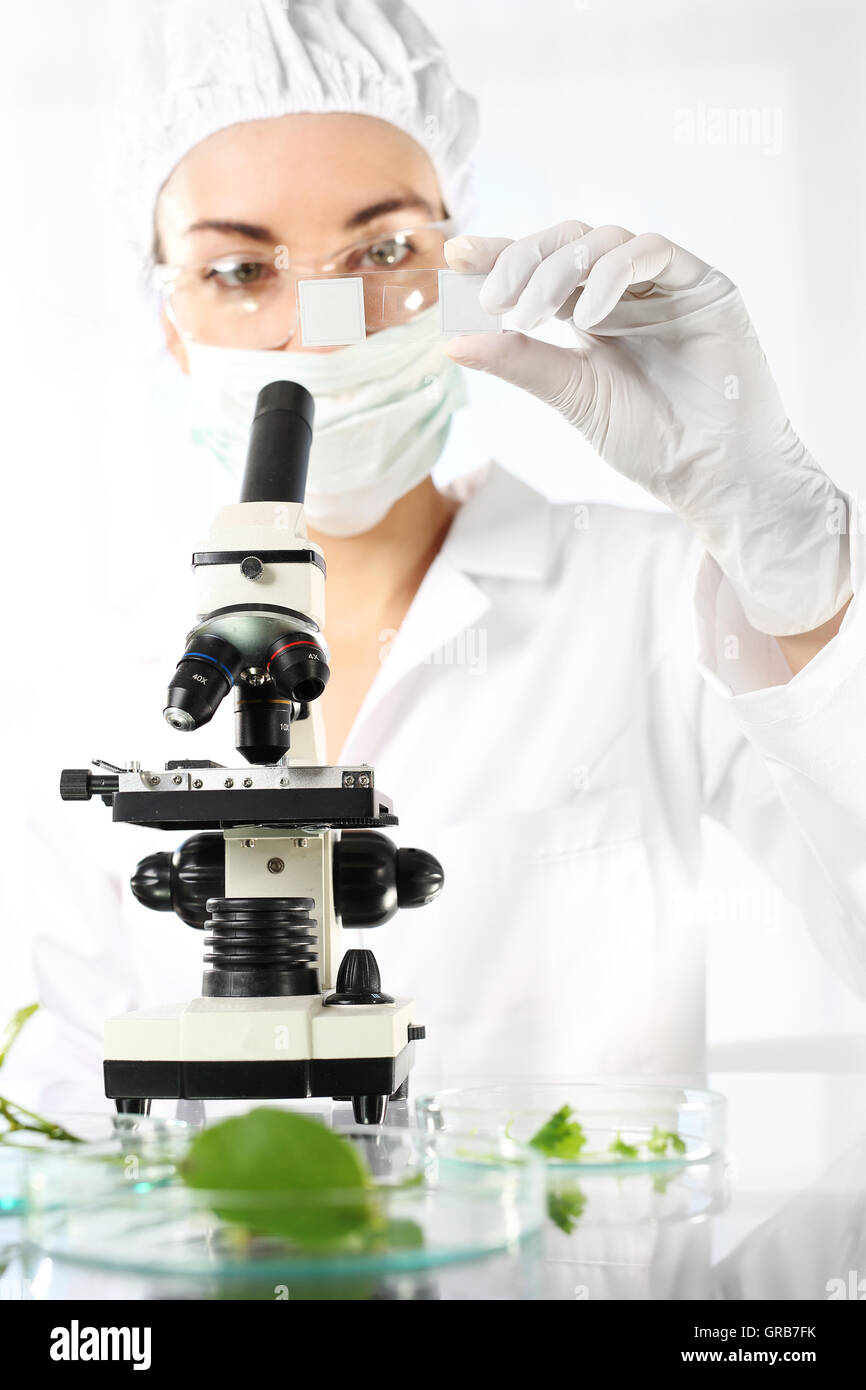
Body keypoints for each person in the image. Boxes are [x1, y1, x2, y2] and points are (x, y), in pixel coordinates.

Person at [12, 0, 866, 1101]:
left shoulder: (655, 599)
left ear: (459, 269)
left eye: (381, 252)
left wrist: (787, 549)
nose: (320, 327)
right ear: (166, 320)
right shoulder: (90, 673)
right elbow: (56, 1112)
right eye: (237, 271)